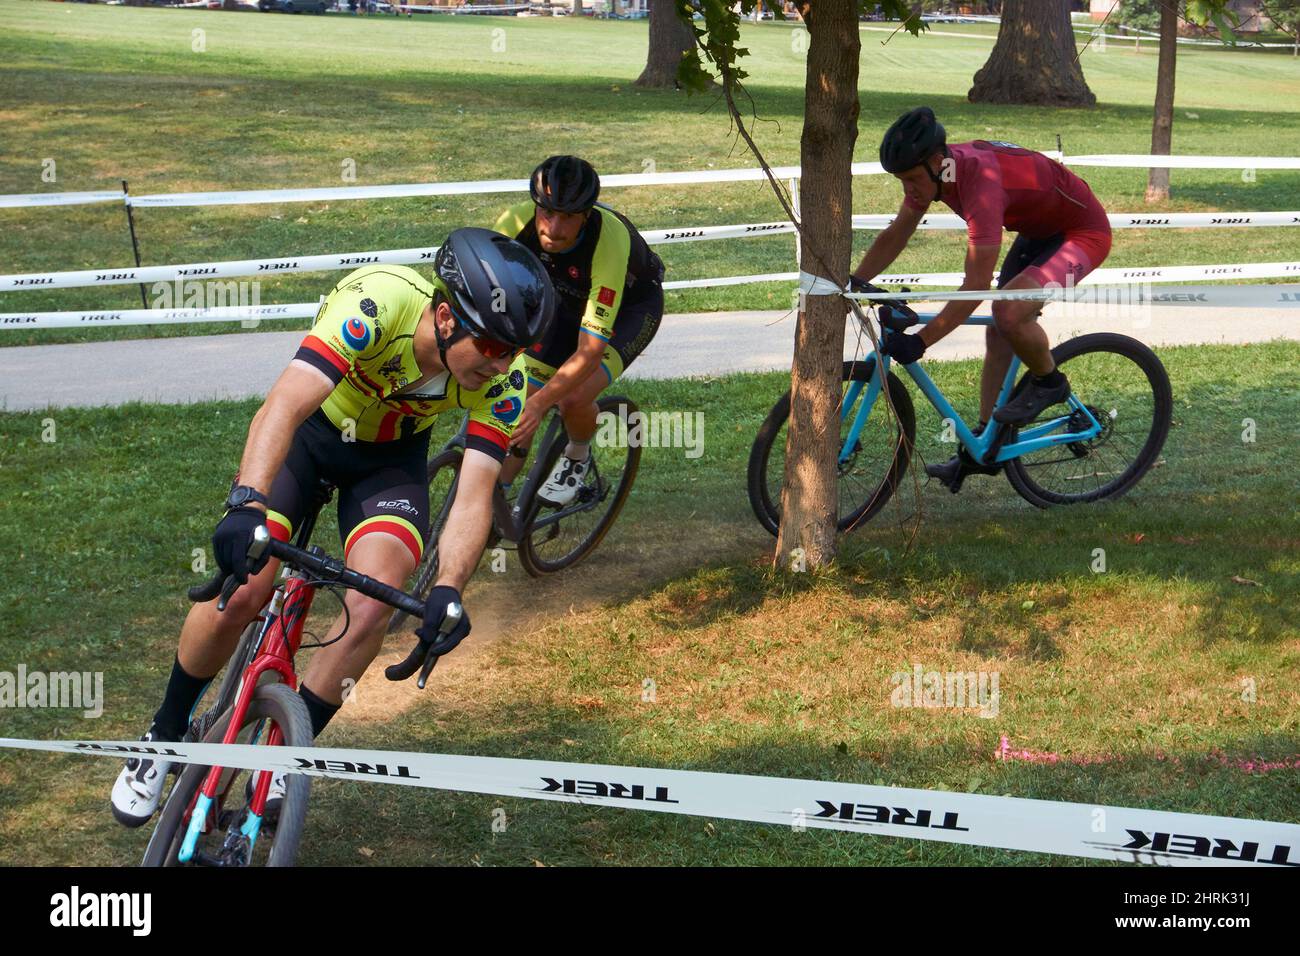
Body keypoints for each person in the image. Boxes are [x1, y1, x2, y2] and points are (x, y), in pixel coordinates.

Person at [110, 229, 554, 828]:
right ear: (446, 318)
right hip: (310, 438)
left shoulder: (504, 378)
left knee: (370, 608)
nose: (505, 363)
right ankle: (162, 739)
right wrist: (246, 502)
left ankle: (285, 755)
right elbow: (285, 405)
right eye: (495, 345)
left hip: (387, 464)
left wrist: (449, 587)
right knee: (243, 588)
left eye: (514, 350)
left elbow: (476, 489)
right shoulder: (375, 304)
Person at [852, 106, 1113, 492]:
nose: (908, 189)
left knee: (1008, 312)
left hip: (1084, 234)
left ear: (938, 163)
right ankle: (987, 442)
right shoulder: (938, 173)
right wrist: (854, 280)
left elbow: (975, 284)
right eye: (901, 181)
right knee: (999, 331)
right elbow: (898, 231)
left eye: (910, 179)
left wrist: (920, 342)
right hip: (1040, 231)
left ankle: (1050, 382)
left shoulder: (979, 185)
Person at [491, 156, 664, 505]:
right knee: (518, 396)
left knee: (571, 396)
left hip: (629, 310)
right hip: (563, 301)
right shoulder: (515, 222)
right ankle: (497, 502)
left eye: (568, 217)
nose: (553, 228)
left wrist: (540, 404)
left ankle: (577, 453)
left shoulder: (608, 240)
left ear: (586, 215)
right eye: (547, 213)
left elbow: (589, 351)